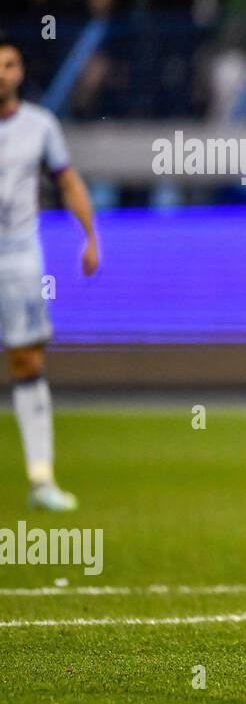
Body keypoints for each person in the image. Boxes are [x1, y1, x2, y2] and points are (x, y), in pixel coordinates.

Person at [0, 36, 99, 512]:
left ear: (20, 72)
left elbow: (67, 181)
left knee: (28, 364)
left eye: (10, 64)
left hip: (19, 261)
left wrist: (91, 236)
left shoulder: (41, 126)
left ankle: (41, 481)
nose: (3, 72)